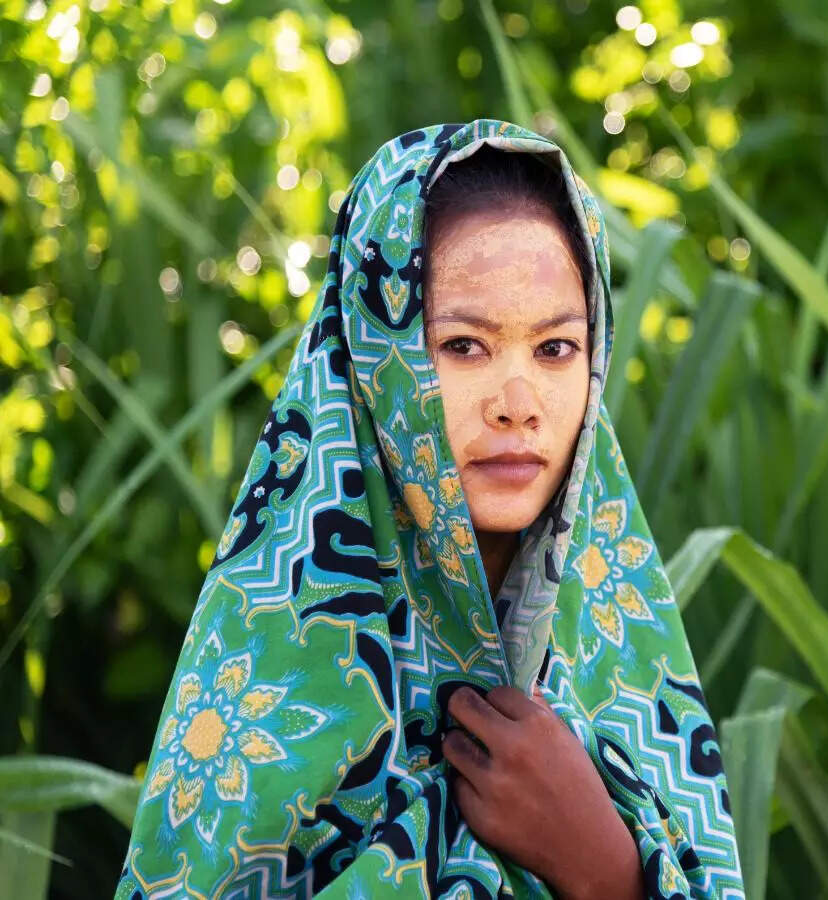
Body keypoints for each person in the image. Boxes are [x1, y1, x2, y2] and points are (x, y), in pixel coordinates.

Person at [114, 120, 744, 899]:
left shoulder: (620, 643)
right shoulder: (269, 673)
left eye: (555, 349)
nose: (519, 404)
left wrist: (607, 868)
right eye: (463, 347)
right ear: (379, 358)